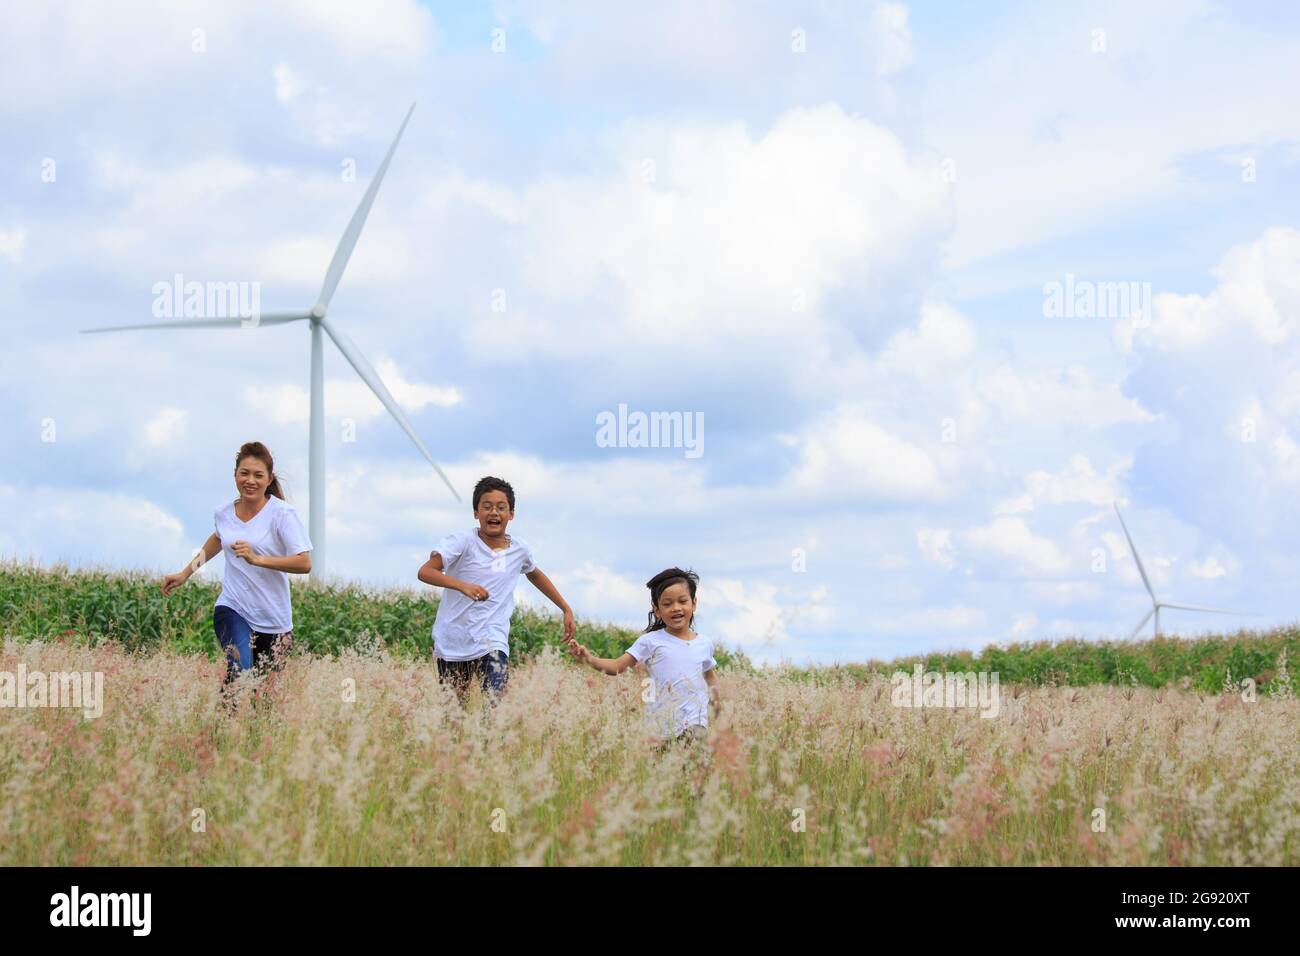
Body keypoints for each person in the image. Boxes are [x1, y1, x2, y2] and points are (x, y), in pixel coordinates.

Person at [162, 441, 312, 697]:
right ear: (235, 475)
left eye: (258, 475)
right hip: (233, 608)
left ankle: (245, 736)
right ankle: (222, 732)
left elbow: (304, 562)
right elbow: (218, 540)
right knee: (241, 669)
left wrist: (258, 559)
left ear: (269, 479)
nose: (250, 480)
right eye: (244, 473)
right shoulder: (224, 514)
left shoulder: (282, 514)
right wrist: (184, 573)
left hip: (274, 620)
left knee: (265, 699)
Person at [417, 475, 575, 698]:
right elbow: (425, 571)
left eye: (501, 507)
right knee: (453, 712)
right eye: (487, 507)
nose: (494, 512)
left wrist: (565, 608)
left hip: (493, 639)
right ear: (475, 513)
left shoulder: (520, 549)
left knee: (495, 702)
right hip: (454, 640)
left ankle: (492, 734)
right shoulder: (462, 542)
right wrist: (463, 586)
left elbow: (535, 575)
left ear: (511, 514)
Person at [567, 567, 720, 745]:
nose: (676, 608)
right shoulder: (650, 641)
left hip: (695, 725)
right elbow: (618, 666)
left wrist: (717, 704)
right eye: (667, 604)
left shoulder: (704, 643)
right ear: (656, 610)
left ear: (693, 604)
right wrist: (588, 658)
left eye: (682, 601)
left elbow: (710, 676)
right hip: (660, 729)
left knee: (694, 766)